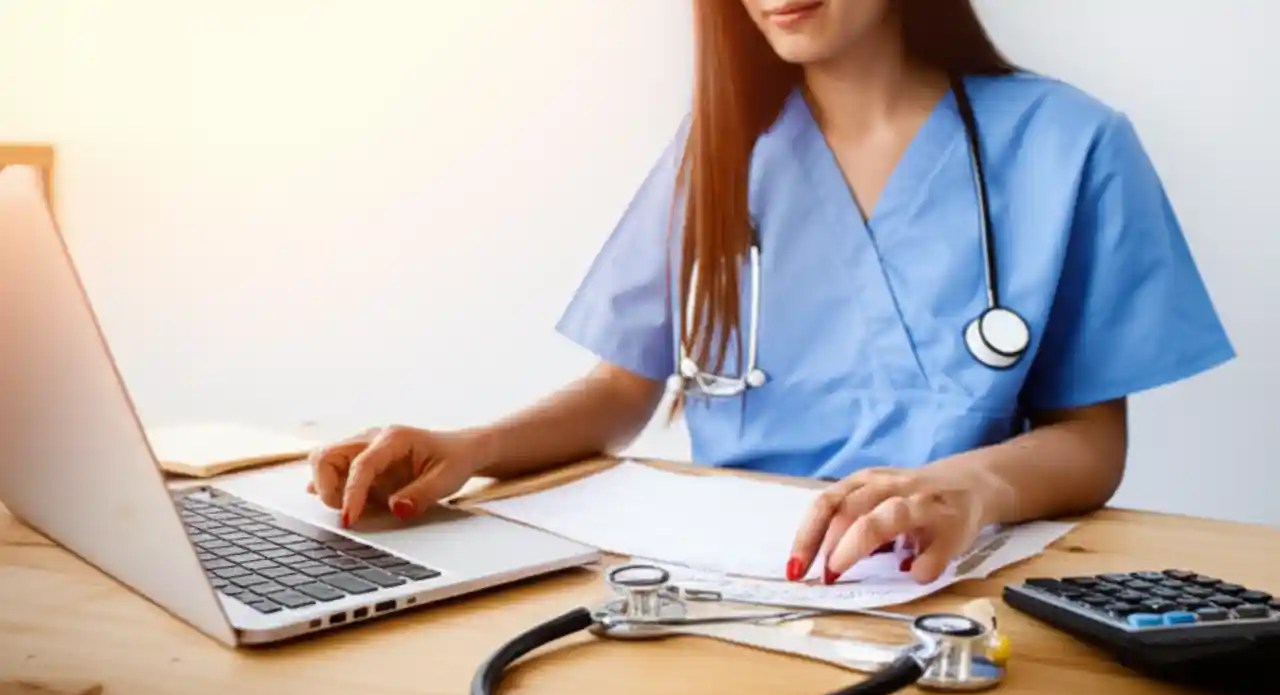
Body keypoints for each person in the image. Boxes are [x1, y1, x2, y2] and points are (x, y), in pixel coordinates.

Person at [308, 0, 1234, 585]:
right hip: (716, 576)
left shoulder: (1071, 144)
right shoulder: (721, 147)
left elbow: (1091, 442)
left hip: (950, 581)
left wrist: (966, 488)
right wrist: (468, 446)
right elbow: (624, 392)